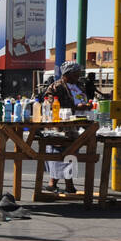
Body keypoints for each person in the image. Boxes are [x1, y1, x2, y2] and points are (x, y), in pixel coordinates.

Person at [41, 62, 87, 194]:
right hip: (61, 126)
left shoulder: (79, 85)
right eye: (75, 73)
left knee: (70, 152)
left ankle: (53, 184)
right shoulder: (56, 87)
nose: (78, 75)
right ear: (67, 74)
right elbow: (49, 104)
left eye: (79, 73)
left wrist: (86, 106)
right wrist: (73, 108)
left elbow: (83, 99)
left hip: (78, 123)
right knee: (62, 152)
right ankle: (68, 185)